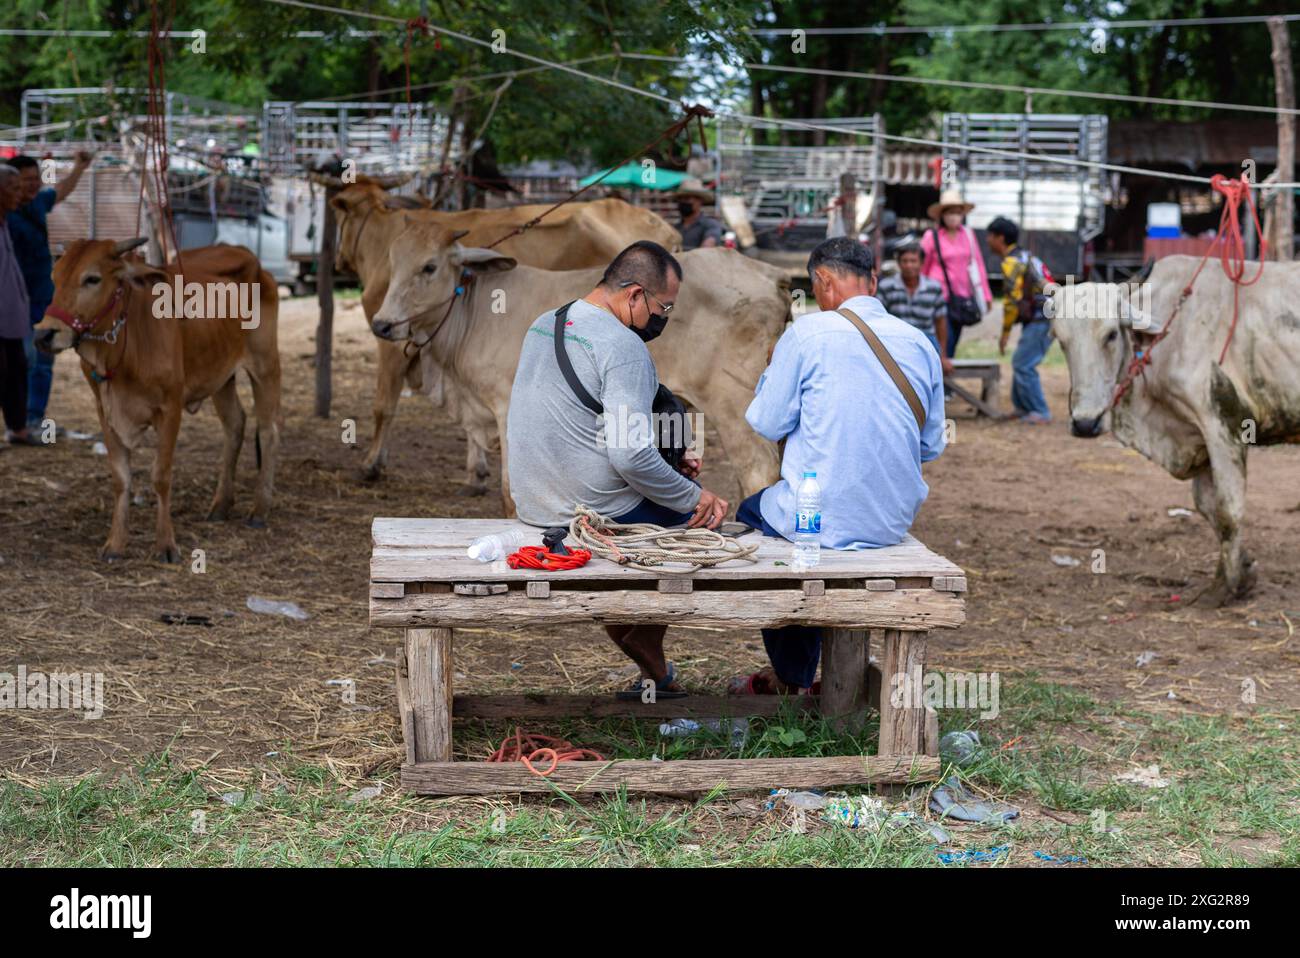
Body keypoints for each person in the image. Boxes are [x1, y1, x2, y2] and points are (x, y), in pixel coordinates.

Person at [507, 240, 729, 697]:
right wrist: (695, 496)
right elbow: (630, 456)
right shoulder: (623, 346)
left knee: (669, 488)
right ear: (633, 295)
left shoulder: (544, 323)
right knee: (701, 524)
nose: (662, 319)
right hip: (588, 512)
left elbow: (571, 417)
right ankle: (647, 646)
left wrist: (666, 457)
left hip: (533, 499)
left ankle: (651, 662)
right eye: (662, 307)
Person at [730, 237, 947, 695]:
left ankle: (794, 674)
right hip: (891, 520)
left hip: (816, 520)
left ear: (823, 282)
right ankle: (820, 668)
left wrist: (773, 370)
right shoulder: (919, 343)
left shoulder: (806, 334)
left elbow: (767, 423)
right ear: (872, 281)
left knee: (752, 516)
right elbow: (930, 448)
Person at [8, 151, 94, 438]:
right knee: (22, 362)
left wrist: (80, 168)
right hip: (13, 304)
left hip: (43, 302)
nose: (32, 186)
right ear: (10, 184)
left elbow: (59, 191)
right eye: (24, 181)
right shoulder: (5, 217)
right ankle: (18, 423)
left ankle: (32, 421)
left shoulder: (36, 205)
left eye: (35, 179)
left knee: (41, 363)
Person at [986, 216, 1055, 425]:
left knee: (1023, 364)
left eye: (990, 236)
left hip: (1042, 317)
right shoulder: (1025, 255)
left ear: (1000, 238)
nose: (987, 240)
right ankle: (1022, 407)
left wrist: (1005, 333)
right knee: (1021, 361)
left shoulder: (1012, 262)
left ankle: (1039, 410)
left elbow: (1011, 302)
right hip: (1044, 315)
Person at [919, 188, 993, 359]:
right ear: (942, 215)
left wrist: (986, 295)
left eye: (957, 213)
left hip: (962, 297)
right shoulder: (932, 236)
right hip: (938, 296)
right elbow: (922, 266)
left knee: (953, 342)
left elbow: (978, 264)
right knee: (944, 340)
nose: (953, 216)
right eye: (950, 212)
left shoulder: (968, 235)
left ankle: (945, 380)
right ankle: (941, 379)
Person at [0, 164, 37, 448]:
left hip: (12, 318)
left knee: (16, 369)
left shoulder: (5, 223)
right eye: (12, 188)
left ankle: (18, 429)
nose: (19, 193)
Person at [876, 242, 954, 376]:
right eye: (904, 261)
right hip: (896, 344)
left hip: (927, 342)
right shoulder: (886, 286)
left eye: (913, 261)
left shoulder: (933, 288)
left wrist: (942, 355)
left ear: (922, 263)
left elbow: (940, 322)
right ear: (899, 263)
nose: (909, 265)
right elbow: (878, 320)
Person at [674, 178, 723, 250]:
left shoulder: (710, 225)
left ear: (699, 201)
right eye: (680, 198)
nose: (683, 202)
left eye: (687, 198)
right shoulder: (676, 228)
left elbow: (707, 248)